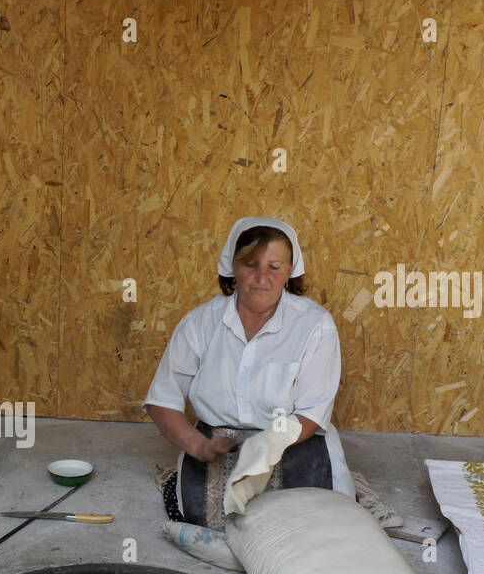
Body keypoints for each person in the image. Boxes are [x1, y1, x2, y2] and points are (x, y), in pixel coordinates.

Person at [144, 217, 354, 525]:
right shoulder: (200, 323)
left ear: (289, 273)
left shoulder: (314, 325)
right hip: (219, 445)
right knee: (215, 522)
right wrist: (198, 445)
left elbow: (312, 410)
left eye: (274, 267)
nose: (261, 277)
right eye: (250, 265)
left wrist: (268, 443)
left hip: (293, 442)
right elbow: (162, 400)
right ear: (232, 266)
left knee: (310, 529)